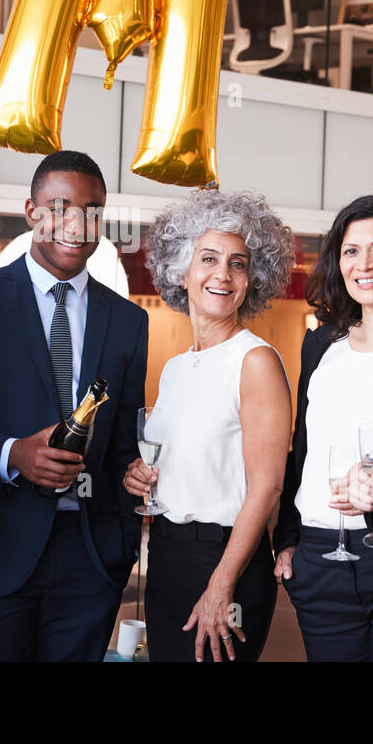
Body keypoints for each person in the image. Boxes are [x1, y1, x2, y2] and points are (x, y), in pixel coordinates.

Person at [0, 150, 148, 661]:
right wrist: (12, 453)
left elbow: (125, 440)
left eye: (93, 211)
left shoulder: (128, 321)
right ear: (31, 212)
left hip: (92, 554)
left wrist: (125, 529)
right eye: (60, 207)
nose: (77, 225)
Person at [124, 188, 293, 662]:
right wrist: (138, 474)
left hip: (224, 561)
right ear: (181, 269)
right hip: (167, 555)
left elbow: (267, 488)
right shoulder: (176, 368)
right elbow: (174, 461)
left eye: (238, 263)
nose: (223, 274)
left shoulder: (255, 361)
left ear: (252, 278)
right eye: (209, 258)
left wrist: (221, 584)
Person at [272, 195, 373, 661]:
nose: (365, 263)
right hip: (319, 558)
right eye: (350, 251)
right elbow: (302, 449)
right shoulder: (321, 344)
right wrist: (288, 538)